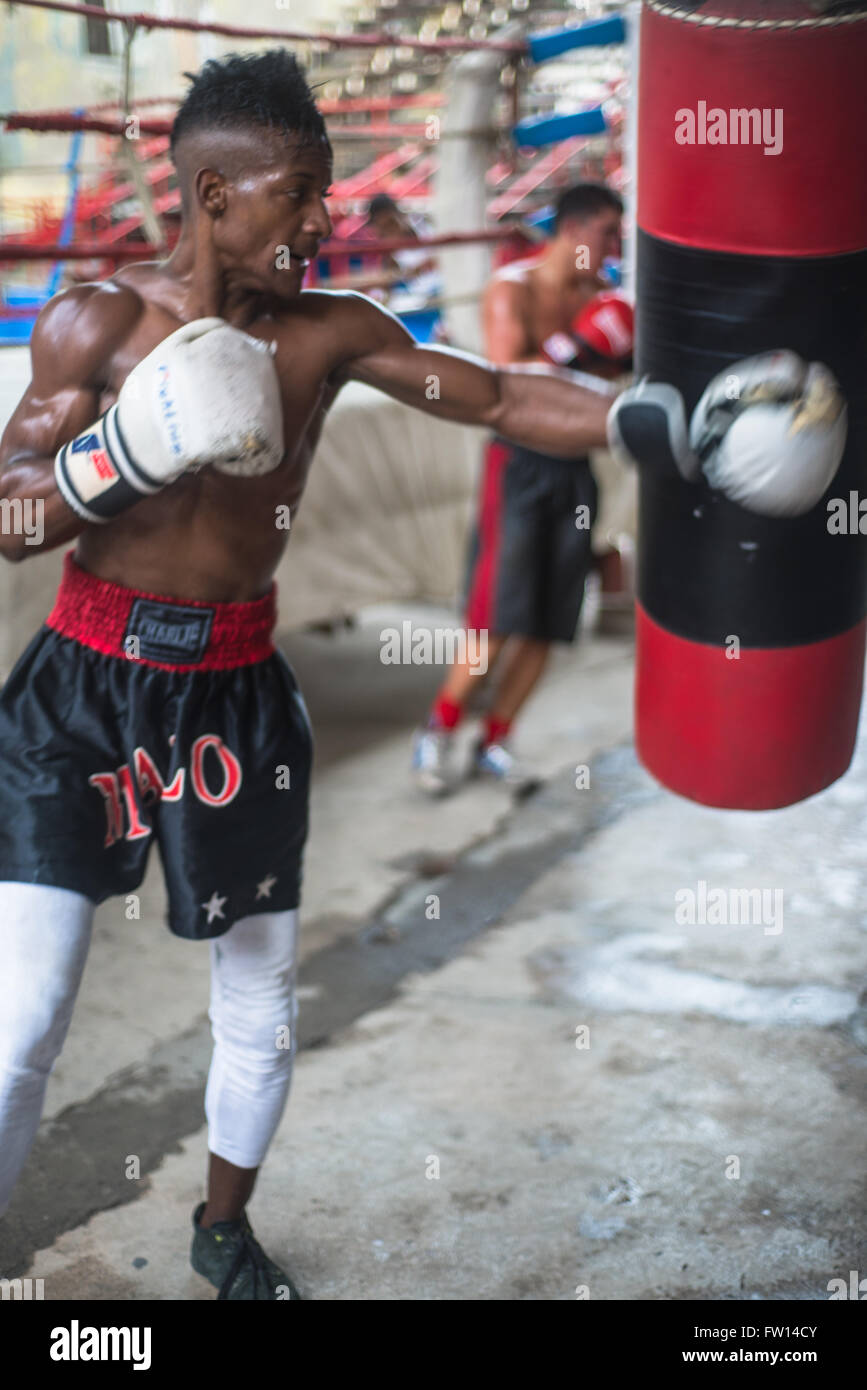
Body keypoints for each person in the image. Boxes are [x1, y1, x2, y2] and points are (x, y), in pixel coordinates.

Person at [0, 50, 615, 1299]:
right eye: (300, 194)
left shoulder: (329, 333)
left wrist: (655, 416)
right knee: (23, 1022)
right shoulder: (94, 322)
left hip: (234, 692)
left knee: (261, 992)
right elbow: (4, 513)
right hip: (81, 689)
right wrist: (111, 460)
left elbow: (497, 398)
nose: (328, 221)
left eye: (330, 191)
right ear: (215, 194)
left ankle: (223, 1231)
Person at [412, 183, 624, 796]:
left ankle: (496, 741)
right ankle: (438, 732)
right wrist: (578, 352)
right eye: (607, 232)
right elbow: (511, 380)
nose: (613, 245)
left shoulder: (604, 299)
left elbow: (618, 377)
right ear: (573, 230)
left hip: (576, 471)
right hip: (520, 467)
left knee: (552, 620)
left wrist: (594, 353)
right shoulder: (514, 289)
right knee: (497, 615)